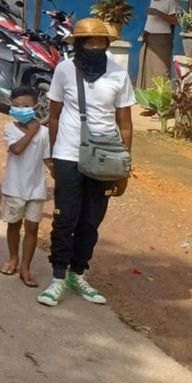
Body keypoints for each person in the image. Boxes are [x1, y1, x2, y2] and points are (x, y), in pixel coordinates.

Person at [38, 18, 135, 308]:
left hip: (105, 158)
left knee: (91, 221)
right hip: (68, 154)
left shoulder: (119, 75)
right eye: (89, 42)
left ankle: (77, 273)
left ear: (107, 44)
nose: (95, 47)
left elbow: (126, 125)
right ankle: (57, 277)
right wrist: (54, 155)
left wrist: (124, 167)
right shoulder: (64, 69)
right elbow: (53, 116)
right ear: (78, 44)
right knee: (65, 217)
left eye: (100, 42)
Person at [0, 87, 49, 289]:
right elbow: (17, 149)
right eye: (17, 105)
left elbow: (48, 159)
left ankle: (26, 267)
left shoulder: (45, 133)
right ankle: (13, 258)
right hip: (14, 187)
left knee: (32, 227)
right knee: (14, 224)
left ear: (35, 107)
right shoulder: (9, 128)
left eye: (26, 106)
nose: (21, 109)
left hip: (36, 188)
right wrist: (31, 131)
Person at [139, 0, 180, 90]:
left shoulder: (170, 0)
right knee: (148, 69)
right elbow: (151, 21)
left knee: (161, 70)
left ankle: (164, 101)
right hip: (149, 37)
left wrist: (157, 12)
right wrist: (145, 31)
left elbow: (176, 21)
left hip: (162, 41)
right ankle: (150, 100)